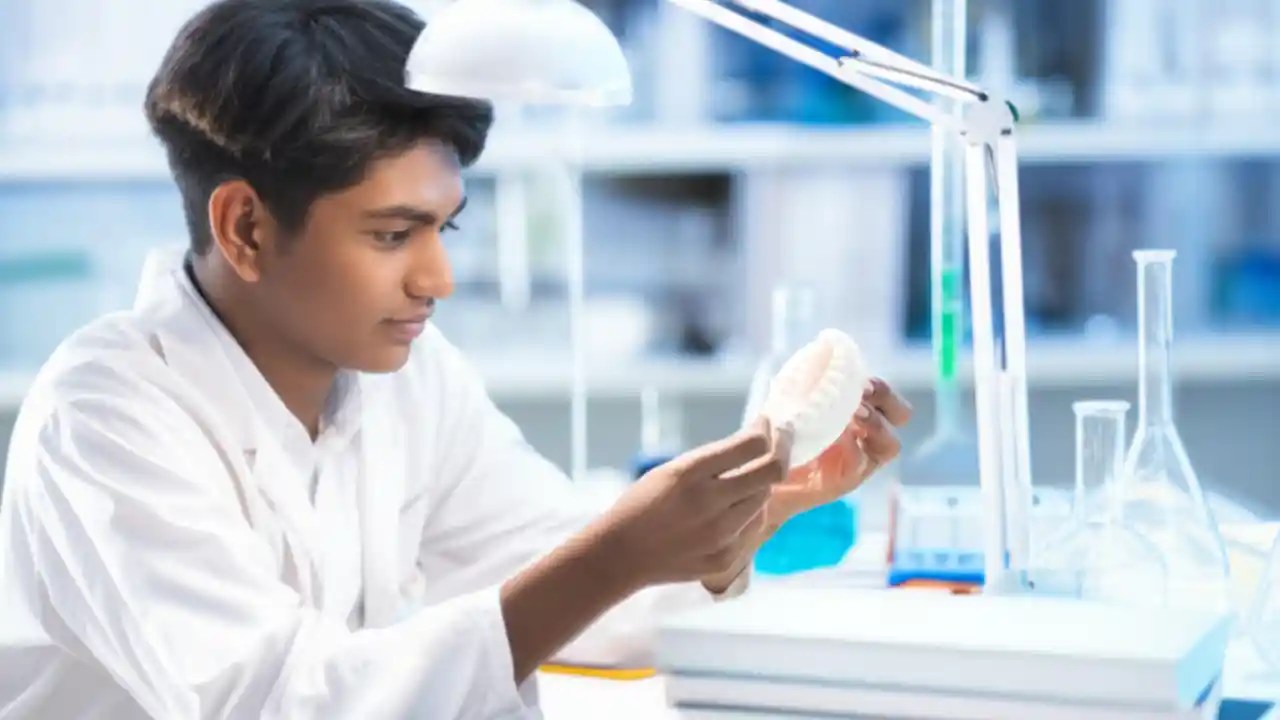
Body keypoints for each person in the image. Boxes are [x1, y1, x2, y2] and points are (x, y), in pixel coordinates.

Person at [0, 1, 911, 717]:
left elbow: (575, 589)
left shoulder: (404, 380)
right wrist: (620, 550)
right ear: (244, 226)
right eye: (393, 234)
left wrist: (750, 512)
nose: (437, 277)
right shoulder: (104, 415)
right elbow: (277, 703)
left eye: (446, 227)